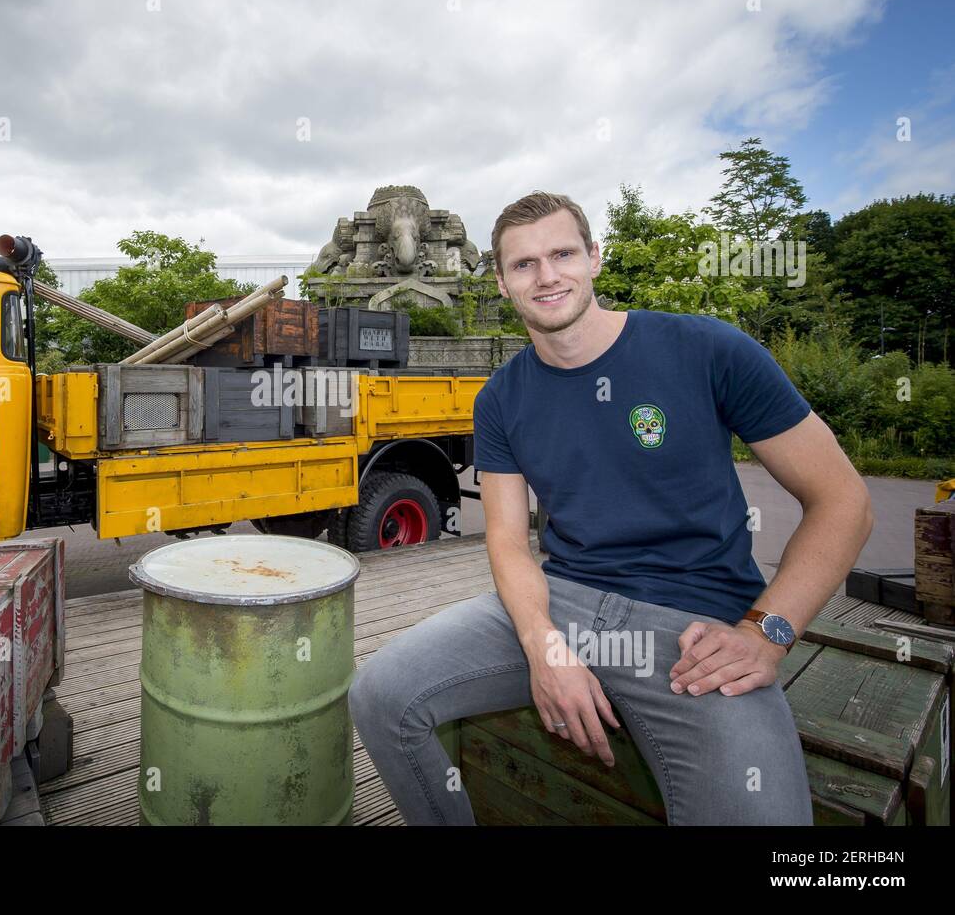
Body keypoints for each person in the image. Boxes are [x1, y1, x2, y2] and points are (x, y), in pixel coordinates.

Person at [348, 191, 874, 825]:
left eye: (562, 253)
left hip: (694, 627)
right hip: (559, 601)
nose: (546, 276)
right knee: (379, 694)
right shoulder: (500, 399)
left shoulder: (707, 349)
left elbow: (843, 501)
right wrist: (544, 647)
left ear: (594, 258)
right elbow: (510, 542)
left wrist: (768, 631)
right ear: (500, 280)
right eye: (523, 264)